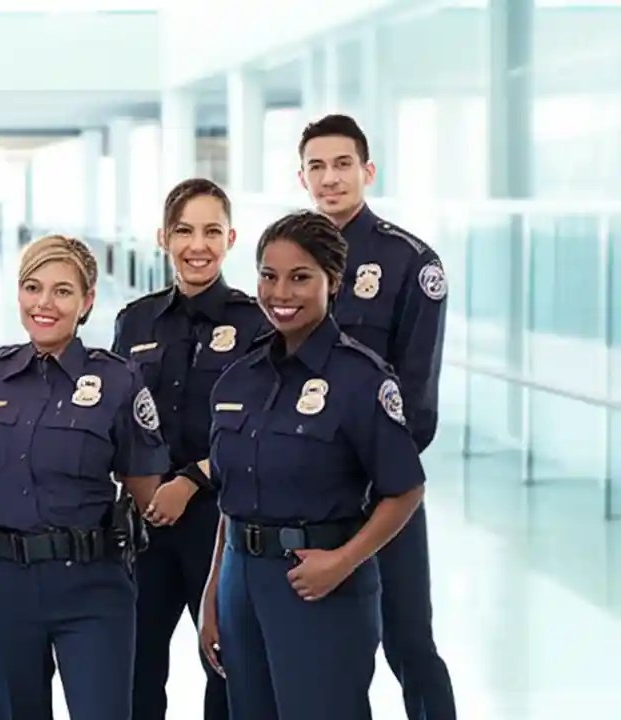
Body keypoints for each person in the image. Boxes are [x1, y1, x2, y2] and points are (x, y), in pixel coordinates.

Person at [198, 210, 427, 719]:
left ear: (333, 281)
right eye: (268, 275)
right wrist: (215, 590)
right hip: (241, 582)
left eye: (300, 277)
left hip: (318, 583)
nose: (281, 292)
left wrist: (343, 561)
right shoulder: (237, 380)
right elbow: (230, 498)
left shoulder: (360, 379)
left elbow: (405, 488)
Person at [0, 234, 169, 720]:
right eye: (32, 287)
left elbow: (144, 488)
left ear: (87, 300)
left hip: (91, 584)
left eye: (63, 291)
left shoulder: (119, 381)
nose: (44, 303)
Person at [298, 113, 454, 720]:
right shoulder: (289, 257)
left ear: (367, 171)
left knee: (409, 642)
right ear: (302, 176)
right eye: (317, 166)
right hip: (303, 493)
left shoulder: (410, 262)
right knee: (326, 653)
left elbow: (416, 400)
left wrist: (372, 477)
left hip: (378, 491)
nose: (329, 178)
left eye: (342, 164)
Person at [112, 178, 269, 720]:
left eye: (210, 231)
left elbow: (258, 429)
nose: (196, 245)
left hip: (220, 522)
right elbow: (114, 417)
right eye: (184, 230)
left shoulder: (257, 324)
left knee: (227, 664)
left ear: (231, 239)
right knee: (134, 671)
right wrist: (146, 487)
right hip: (144, 522)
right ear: (163, 237)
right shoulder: (135, 321)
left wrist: (192, 481)